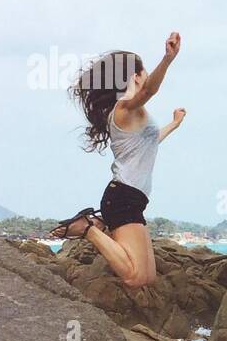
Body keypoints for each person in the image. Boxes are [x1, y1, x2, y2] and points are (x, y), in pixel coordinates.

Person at [49, 32, 185, 290]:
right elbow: (150, 89)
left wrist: (174, 124)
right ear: (135, 76)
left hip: (133, 200)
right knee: (133, 277)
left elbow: (151, 141)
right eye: (143, 72)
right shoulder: (124, 108)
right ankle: (88, 228)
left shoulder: (135, 113)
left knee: (148, 277)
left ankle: (98, 223)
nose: (146, 76)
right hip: (122, 198)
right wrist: (167, 59)